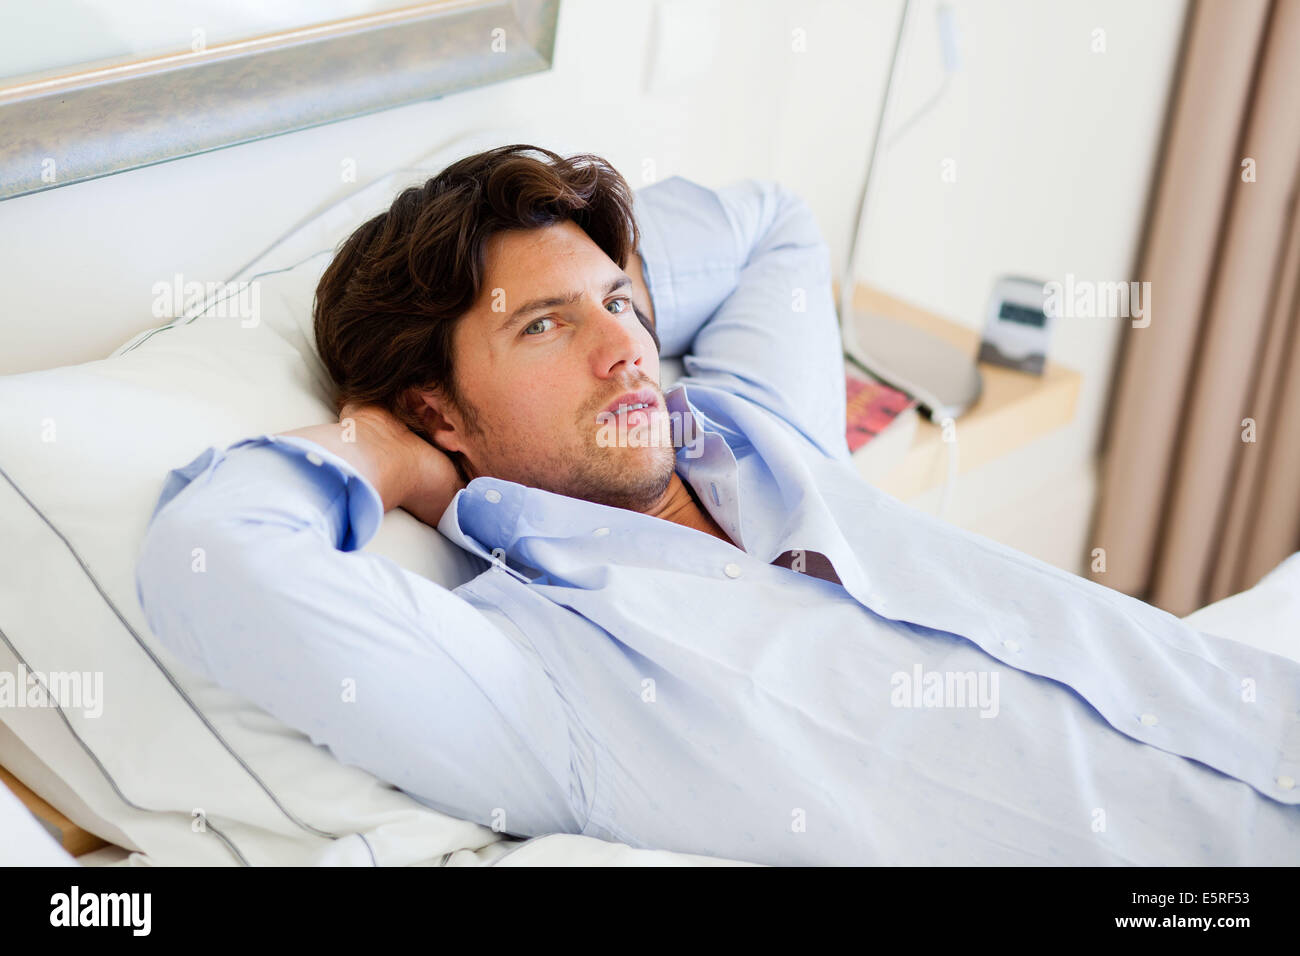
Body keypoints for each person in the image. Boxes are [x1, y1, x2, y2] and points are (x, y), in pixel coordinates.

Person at [134, 144, 1300, 865]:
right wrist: (377, 452)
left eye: (622, 304)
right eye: (544, 326)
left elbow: (770, 223)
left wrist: (595, 279)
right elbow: (209, 556)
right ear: (437, 408)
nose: (627, 350)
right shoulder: (537, 677)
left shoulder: (752, 427)